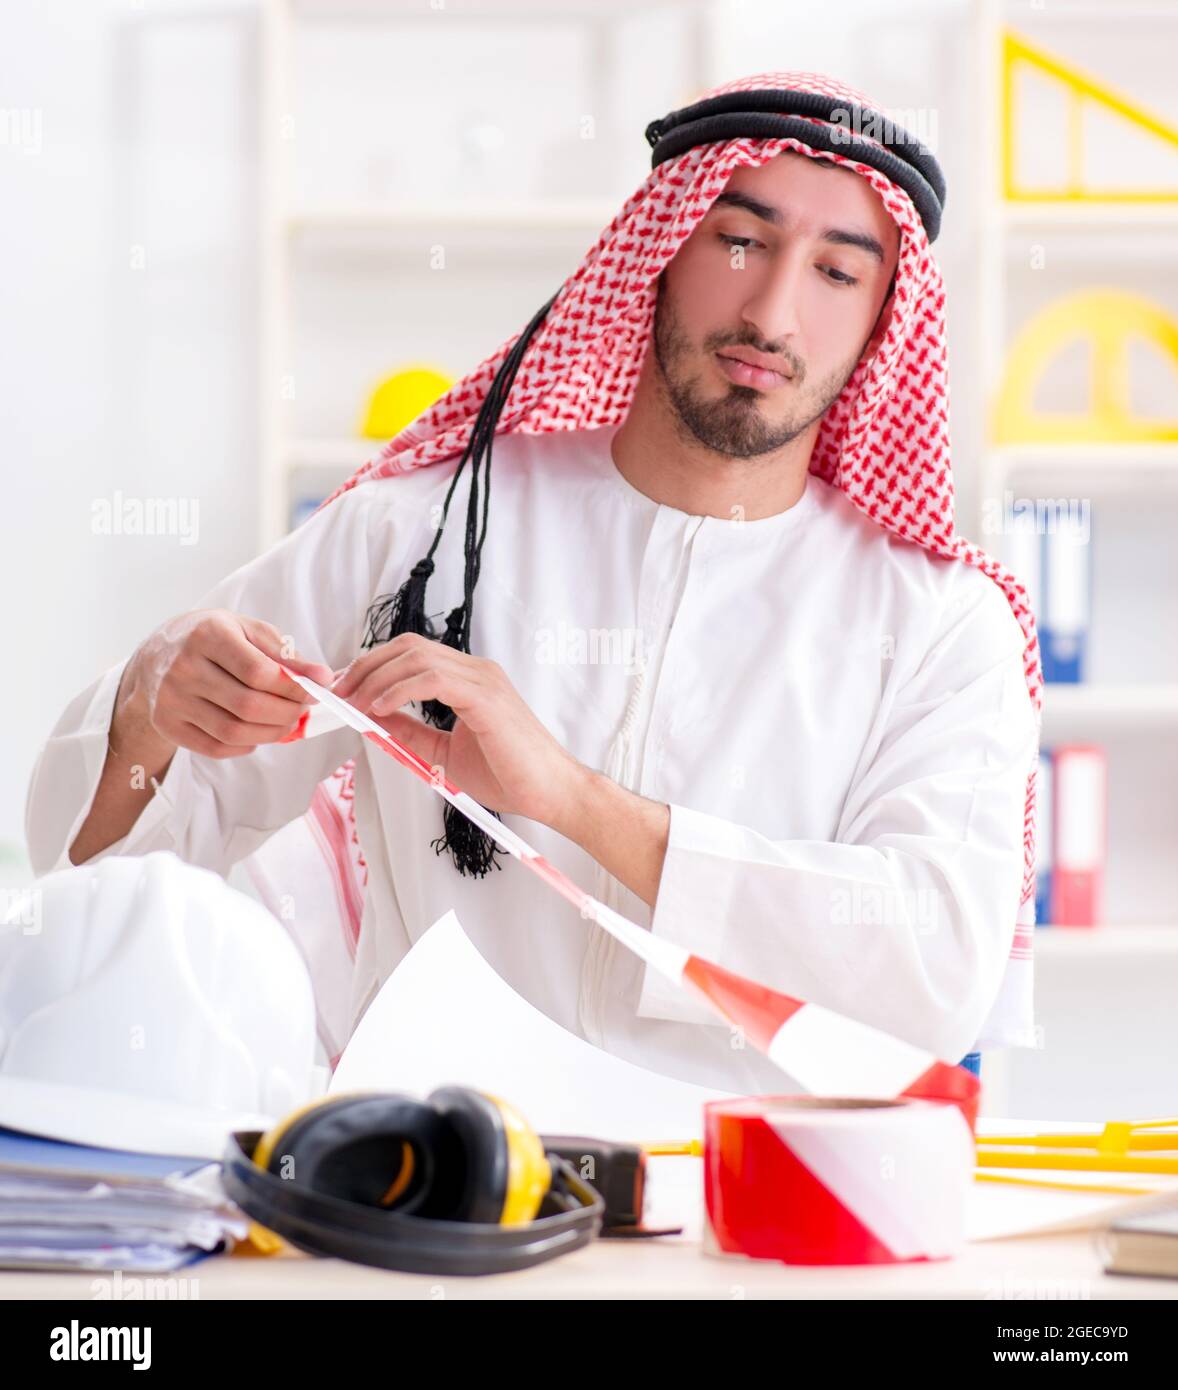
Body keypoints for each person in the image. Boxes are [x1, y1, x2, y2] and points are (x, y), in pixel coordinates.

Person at [26, 72, 1041, 1095]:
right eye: (738, 240)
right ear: (658, 246)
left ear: (882, 323)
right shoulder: (411, 531)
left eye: (835, 272)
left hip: (747, 1216)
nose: (770, 312)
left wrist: (571, 799)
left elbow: (934, 964)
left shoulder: (939, 624)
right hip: (430, 1197)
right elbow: (106, 878)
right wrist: (147, 703)